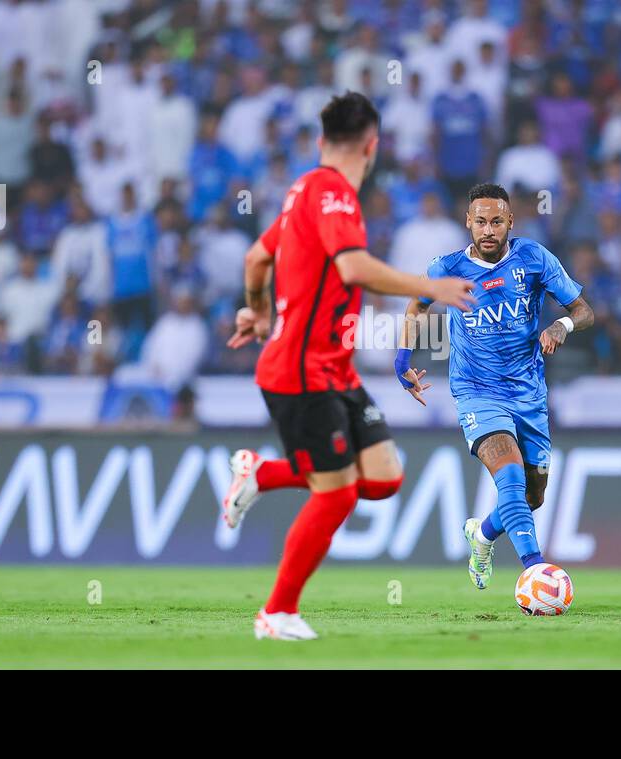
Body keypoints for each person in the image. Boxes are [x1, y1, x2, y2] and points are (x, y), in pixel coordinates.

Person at [219, 93, 475, 641]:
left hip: (333, 369)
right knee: (335, 494)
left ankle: (261, 474)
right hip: (301, 372)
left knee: (383, 478)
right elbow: (353, 266)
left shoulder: (300, 190)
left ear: (320, 141)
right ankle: (277, 613)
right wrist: (430, 287)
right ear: (373, 146)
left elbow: (255, 258)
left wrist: (261, 310)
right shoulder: (332, 191)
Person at [397, 183, 593, 591]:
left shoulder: (534, 258)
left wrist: (561, 324)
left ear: (510, 223)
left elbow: (583, 309)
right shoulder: (447, 268)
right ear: (468, 223)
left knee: (532, 498)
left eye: (497, 222)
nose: (488, 230)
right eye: (480, 221)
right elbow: (417, 305)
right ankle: (536, 571)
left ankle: (483, 533)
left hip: (528, 394)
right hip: (476, 391)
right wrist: (403, 361)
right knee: (511, 480)